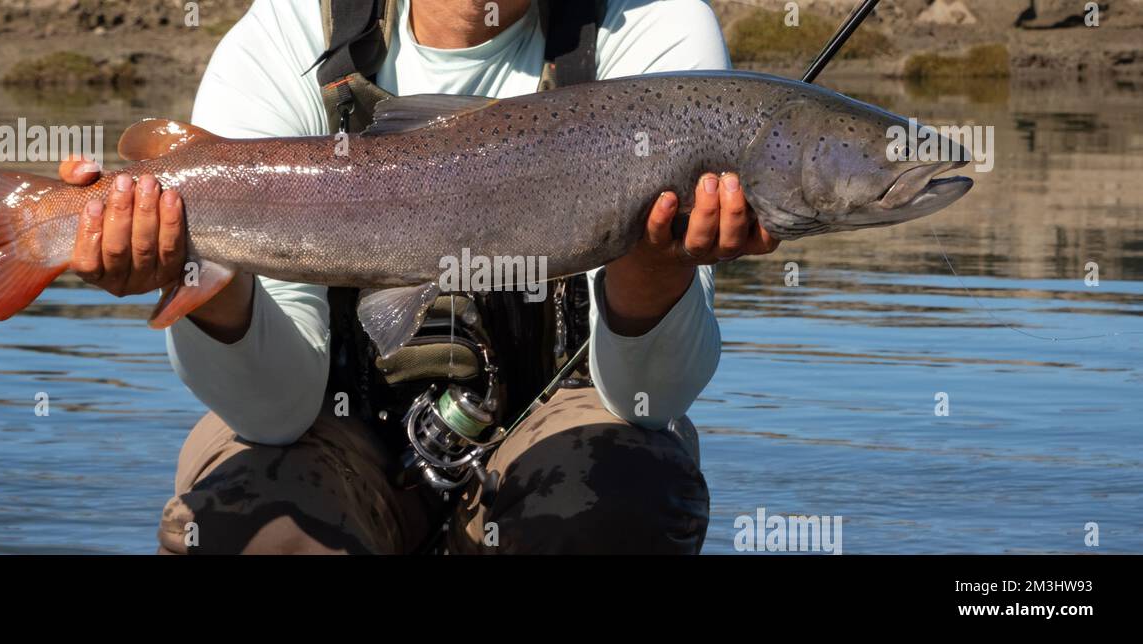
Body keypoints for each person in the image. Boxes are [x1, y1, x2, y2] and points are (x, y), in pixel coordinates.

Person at [56, 0, 781, 554]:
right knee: (254, 518)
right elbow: (272, 416)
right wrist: (208, 290)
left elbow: (648, 401)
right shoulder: (287, 37)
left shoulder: (653, 27)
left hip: (569, 429)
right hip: (328, 430)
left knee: (625, 495)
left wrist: (653, 262)